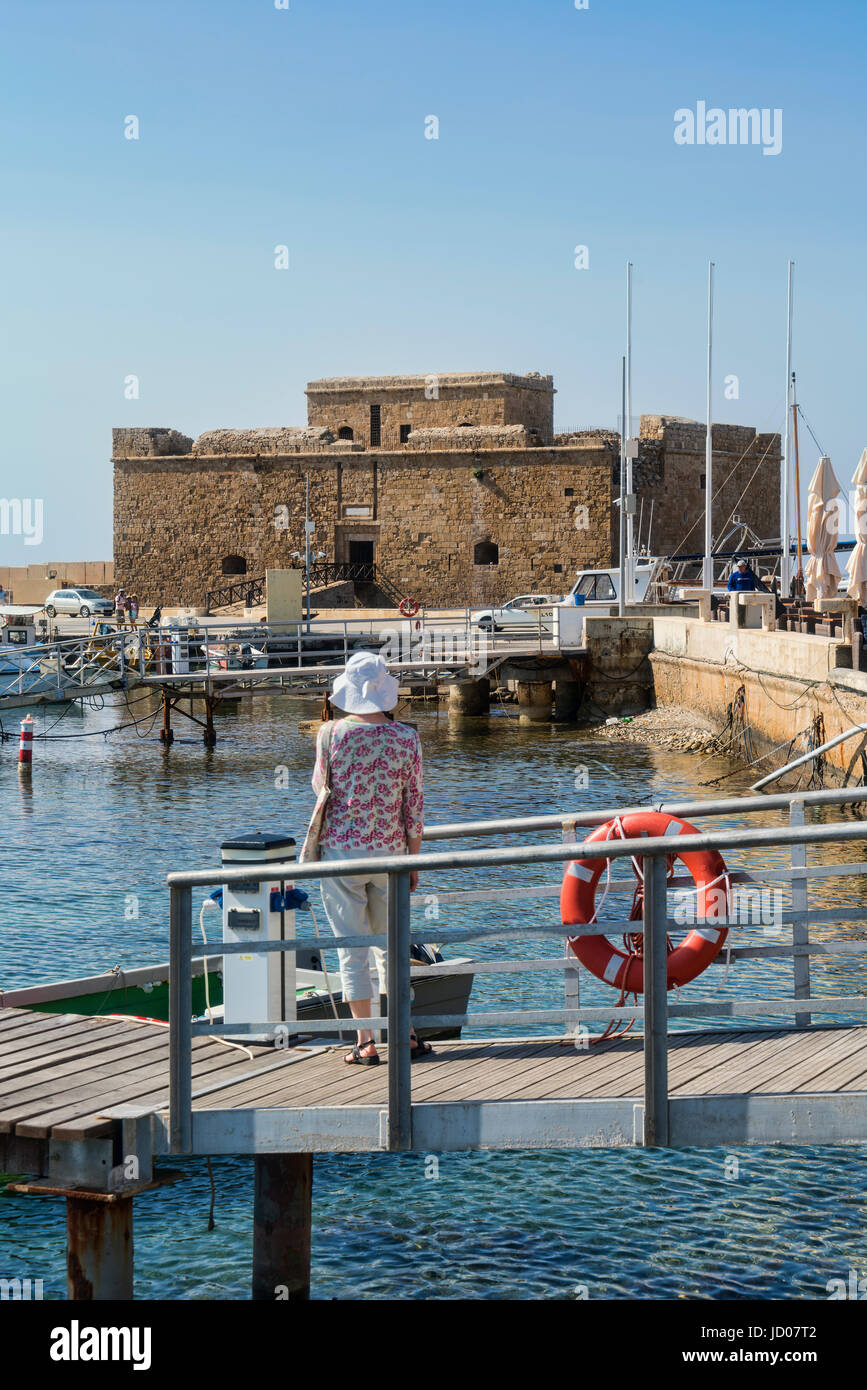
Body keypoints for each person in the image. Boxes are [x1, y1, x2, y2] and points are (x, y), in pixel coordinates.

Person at [310, 650, 429, 1066]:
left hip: (342, 855)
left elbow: (321, 789)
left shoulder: (330, 734)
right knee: (393, 948)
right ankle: (407, 1035)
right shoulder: (407, 738)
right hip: (391, 856)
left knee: (352, 949)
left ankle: (365, 1042)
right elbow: (414, 806)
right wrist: (412, 861)